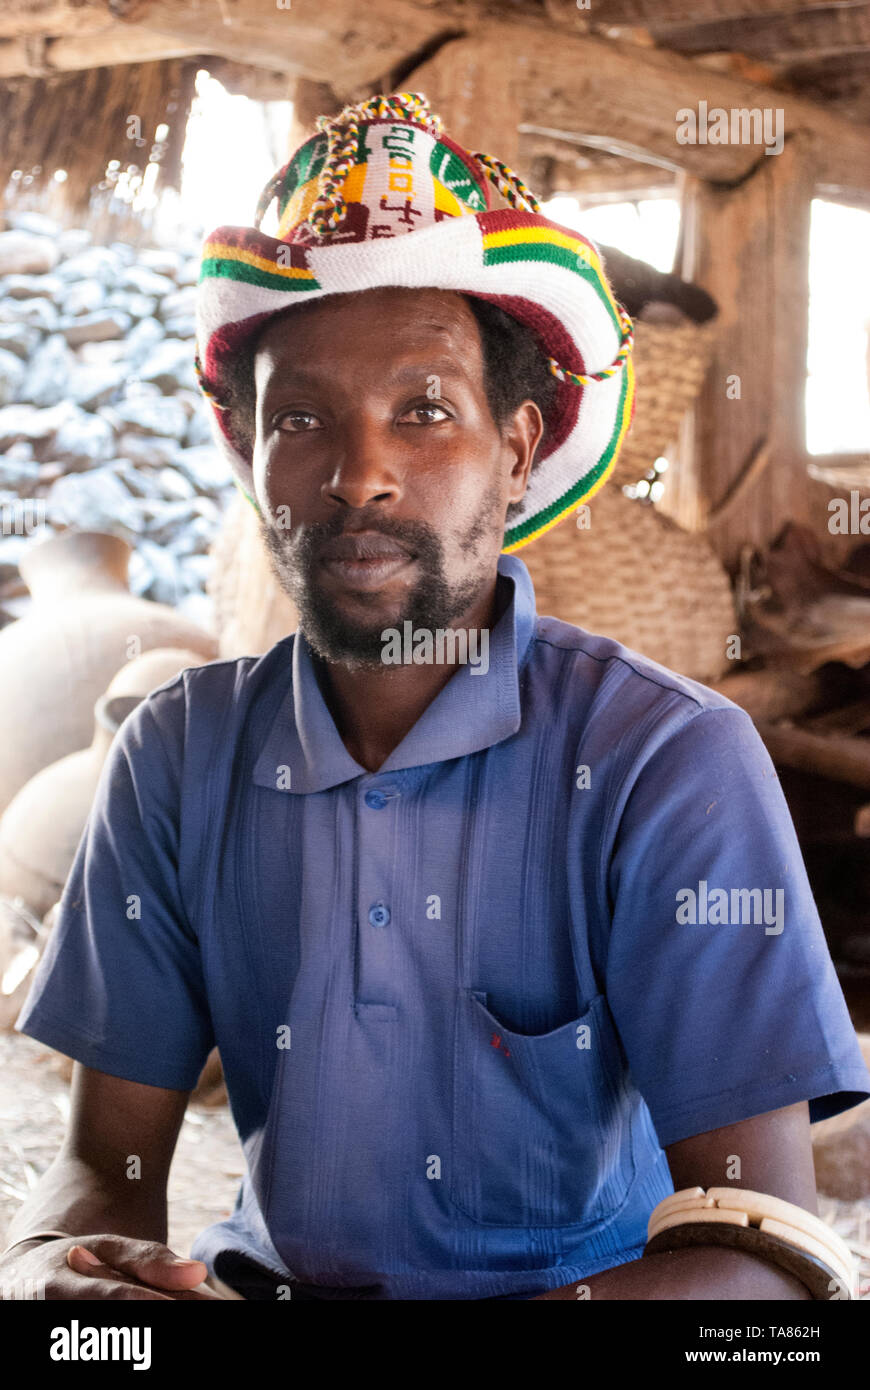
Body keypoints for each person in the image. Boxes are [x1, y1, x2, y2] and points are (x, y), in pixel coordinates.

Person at [4, 92, 869, 1302]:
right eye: (300, 416)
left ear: (516, 451)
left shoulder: (666, 764)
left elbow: (767, 1255)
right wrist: (68, 1267)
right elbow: (108, 1164)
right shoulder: (175, 756)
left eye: (424, 411)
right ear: (251, 461)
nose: (361, 472)